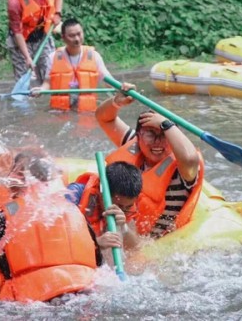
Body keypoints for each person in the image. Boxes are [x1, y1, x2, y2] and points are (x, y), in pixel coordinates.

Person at [0, 155, 101, 303]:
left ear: (14, 180)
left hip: (32, 303)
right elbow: (99, 264)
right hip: (85, 297)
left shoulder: (2, 219)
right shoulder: (75, 212)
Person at [96, 84, 204, 240]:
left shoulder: (181, 167)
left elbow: (190, 158)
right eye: (151, 134)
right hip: (130, 232)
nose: (158, 143)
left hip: (159, 242)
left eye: (164, 135)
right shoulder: (134, 144)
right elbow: (103, 118)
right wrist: (116, 102)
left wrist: (166, 124)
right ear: (138, 136)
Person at [30, 18, 111, 112]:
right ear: (63, 37)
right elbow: (48, 82)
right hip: (60, 111)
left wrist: (122, 88)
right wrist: (41, 90)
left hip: (87, 111)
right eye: (72, 36)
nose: (76, 39)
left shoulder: (94, 56)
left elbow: (108, 81)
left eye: (79, 34)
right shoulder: (52, 57)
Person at [66, 161, 142, 251]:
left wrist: (124, 227)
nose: (121, 210)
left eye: (128, 207)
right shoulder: (74, 195)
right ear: (101, 192)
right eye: (118, 206)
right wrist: (96, 243)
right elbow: (59, 239)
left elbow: (135, 249)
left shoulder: (126, 207)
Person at [6, 0, 55, 84]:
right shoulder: (14, 2)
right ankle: (21, 100)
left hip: (42, 35)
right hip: (20, 40)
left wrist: (58, 14)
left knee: (50, 73)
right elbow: (17, 33)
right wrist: (27, 57)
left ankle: (50, 100)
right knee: (23, 77)